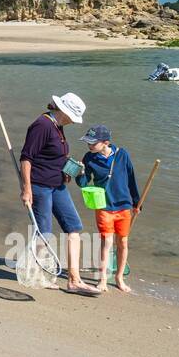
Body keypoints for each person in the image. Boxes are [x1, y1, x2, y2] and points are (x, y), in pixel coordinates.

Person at [18, 92, 99, 295]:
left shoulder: (58, 126)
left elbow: (53, 155)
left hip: (58, 185)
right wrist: (26, 189)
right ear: (63, 111)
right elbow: (26, 158)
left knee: (74, 227)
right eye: (72, 116)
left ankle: (74, 280)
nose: (73, 121)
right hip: (40, 186)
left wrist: (67, 170)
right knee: (43, 233)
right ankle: (39, 275)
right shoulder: (42, 125)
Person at [75, 125, 141, 293]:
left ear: (105, 142)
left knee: (123, 242)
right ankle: (103, 278)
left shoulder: (122, 155)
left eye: (93, 142)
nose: (89, 145)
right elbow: (83, 185)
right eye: (88, 142)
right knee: (107, 242)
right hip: (103, 206)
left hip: (124, 205)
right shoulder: (89, 158)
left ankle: (119, 277)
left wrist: (136, 202)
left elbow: (131, 178)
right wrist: (81, 172)